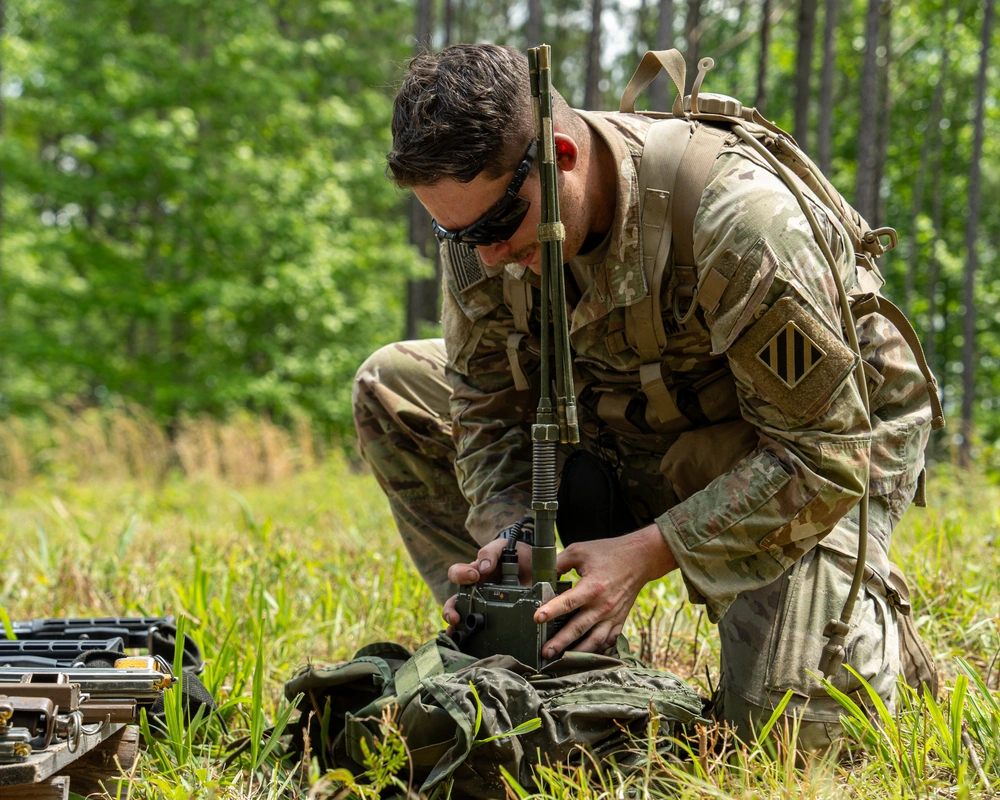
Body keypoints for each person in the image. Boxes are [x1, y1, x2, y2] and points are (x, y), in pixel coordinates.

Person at [353, 43, 934, 748]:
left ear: (560, 154)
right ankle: (545, 646)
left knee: (795, 738)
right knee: (393, 385)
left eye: (497, 227)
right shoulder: (485, 235)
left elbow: (826, 451)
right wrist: (510, 533)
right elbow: (481, 402)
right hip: (620, 409)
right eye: (455, 232)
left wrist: (650, 550)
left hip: (794, 444)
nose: (486, 257)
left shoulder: (739, 222)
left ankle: (867, 616)